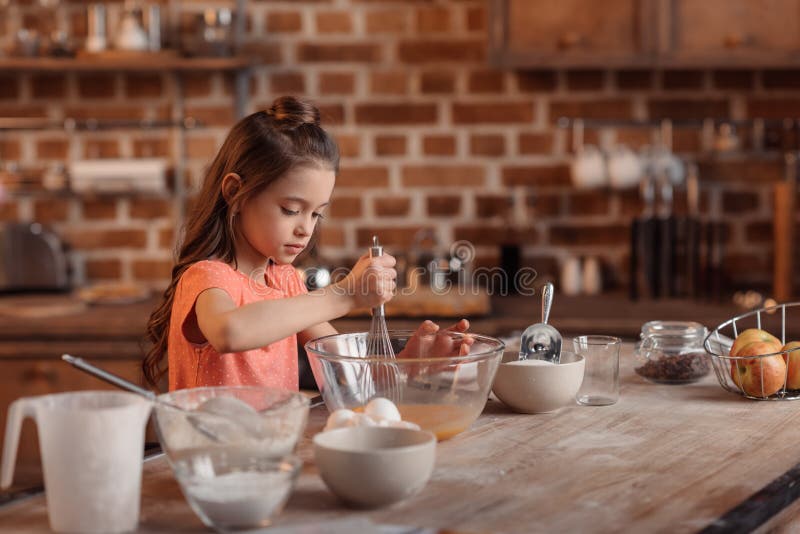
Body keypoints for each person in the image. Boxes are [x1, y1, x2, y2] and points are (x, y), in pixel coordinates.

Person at [143, 96, 472, 391]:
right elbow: (231, 332)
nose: (306, 229)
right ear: (235, 194)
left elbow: (350, 372)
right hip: (210, 458)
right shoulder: (207, 277)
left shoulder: (285, 282)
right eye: (290, 210)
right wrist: (345, 295)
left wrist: (411, 365)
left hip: (272, 455)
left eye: (317, 214)